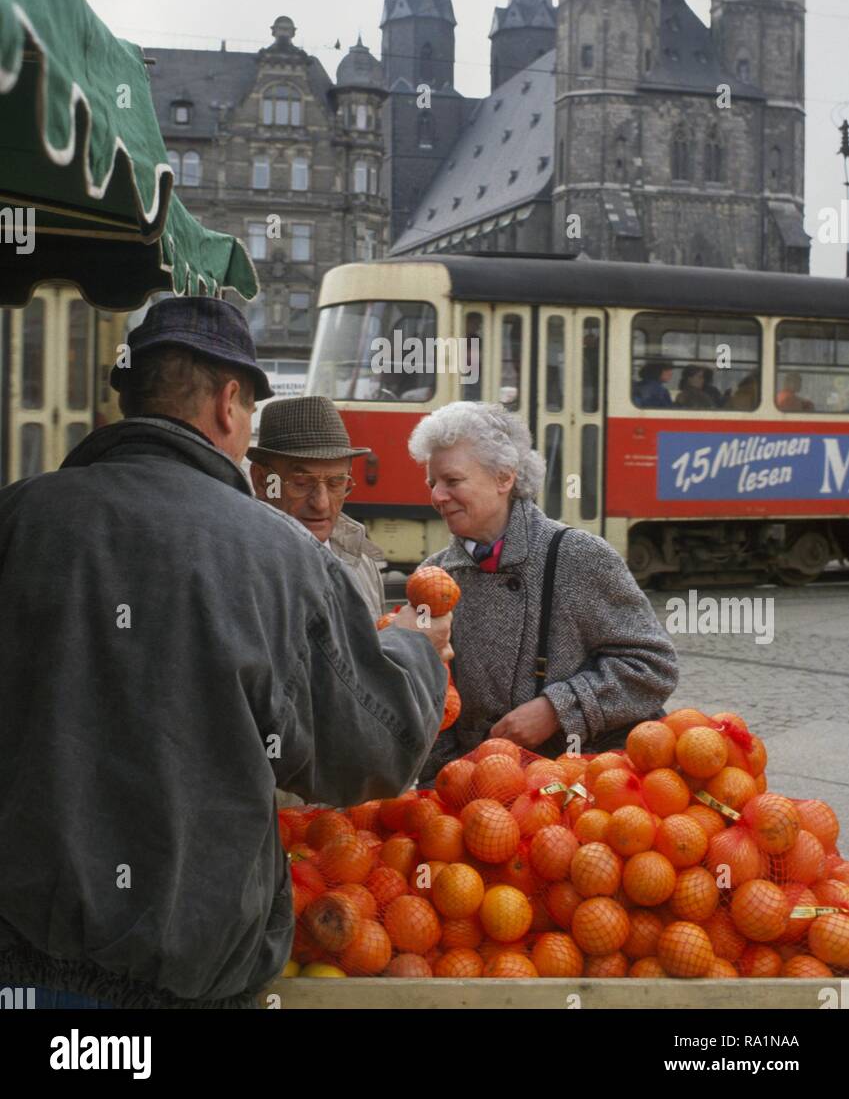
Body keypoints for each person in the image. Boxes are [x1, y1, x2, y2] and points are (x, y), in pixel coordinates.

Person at [0, 298, 448, 1010]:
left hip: (20, 958)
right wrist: (416, 654)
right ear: (228, 401)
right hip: (184, 970)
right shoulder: (276, 554)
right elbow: (369, 751)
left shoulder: (19, 516)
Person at [407, 402, 678, 781]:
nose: (437, 496)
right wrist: (449, 780)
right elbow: (431, 701)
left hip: (584, 788)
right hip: (479, 798)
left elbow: (653, 667)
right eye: (432, 484)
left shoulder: (578, 556)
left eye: (452, 481)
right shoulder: (430, 578)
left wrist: (557, 710)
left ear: (504, 478)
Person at [248, 395, 384, 622]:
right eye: (302, 483)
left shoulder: (362, 564)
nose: (321, 503)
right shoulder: (243, 569)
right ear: (263, 481)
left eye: (337, 483)